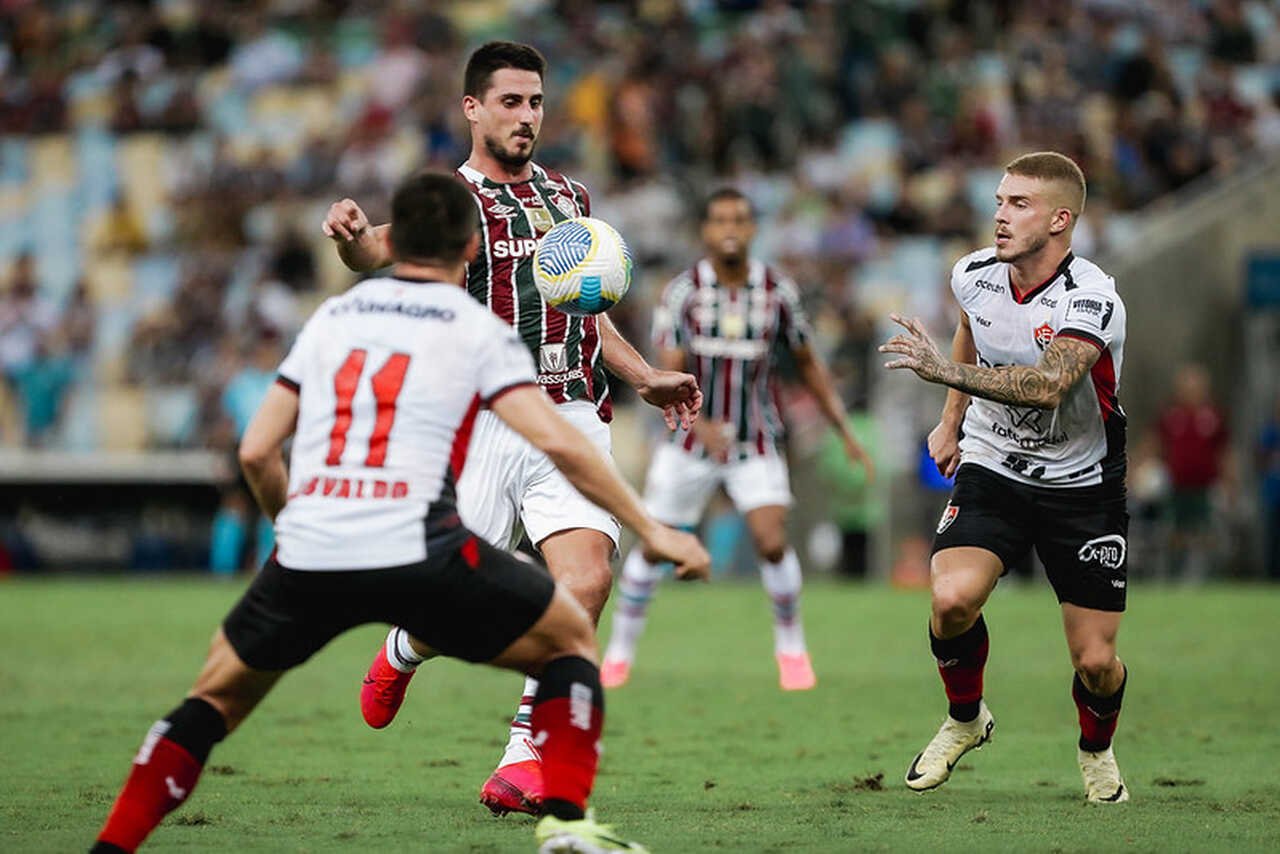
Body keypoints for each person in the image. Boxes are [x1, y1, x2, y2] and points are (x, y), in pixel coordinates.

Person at [90, 172, 709, 854]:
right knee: (569, 644)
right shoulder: (477, 330)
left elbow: (260, 450)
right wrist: (653, 528)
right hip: (415, 542)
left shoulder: (334, 317)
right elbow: (558, 439)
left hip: (314, 545)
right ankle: (565, 825)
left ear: (397, 240)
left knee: (210, 704)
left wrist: (287, 532)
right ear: (471, 249)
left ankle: (112, 845)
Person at [321, 41, 702, 817]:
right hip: (482, 423)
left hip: (570, 411)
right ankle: (403, 646)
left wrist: (645, 378)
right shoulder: (447, 204)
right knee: (453, 605)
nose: (527, 117)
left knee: (588, 576)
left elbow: (590, 316)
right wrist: (354, 236)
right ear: (472, 108)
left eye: (535, 102)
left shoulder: (570, 197)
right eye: (510, 102)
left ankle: (522, 755)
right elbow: (376, 251)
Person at [878, 152, 1133, 803]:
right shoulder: (973, 274)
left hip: (1082, 484)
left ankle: (1096, 750)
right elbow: (971, 330)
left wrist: (942, 375)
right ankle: (966, 719)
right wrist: (950, 420)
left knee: (1097, 664)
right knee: (950, 601)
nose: (999, 214)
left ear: (1059, 218)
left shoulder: (1093, 297)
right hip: (994, 467)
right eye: (999, 200)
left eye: (1018, 204)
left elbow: (1049, 386)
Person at [599, 189, 872, 691]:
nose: (730, 227)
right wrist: (700, 426)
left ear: (752, 229)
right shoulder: (683, 292)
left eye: (740, 219)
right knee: (656, 545)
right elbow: (668, 371)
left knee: (771, 539)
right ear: (705, 229)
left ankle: (791, 650)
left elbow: (809, 365)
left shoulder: (777, 292)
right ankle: (618, 652)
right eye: (720, 218)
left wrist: (845, 432)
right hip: (688, 440)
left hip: (756, 438)